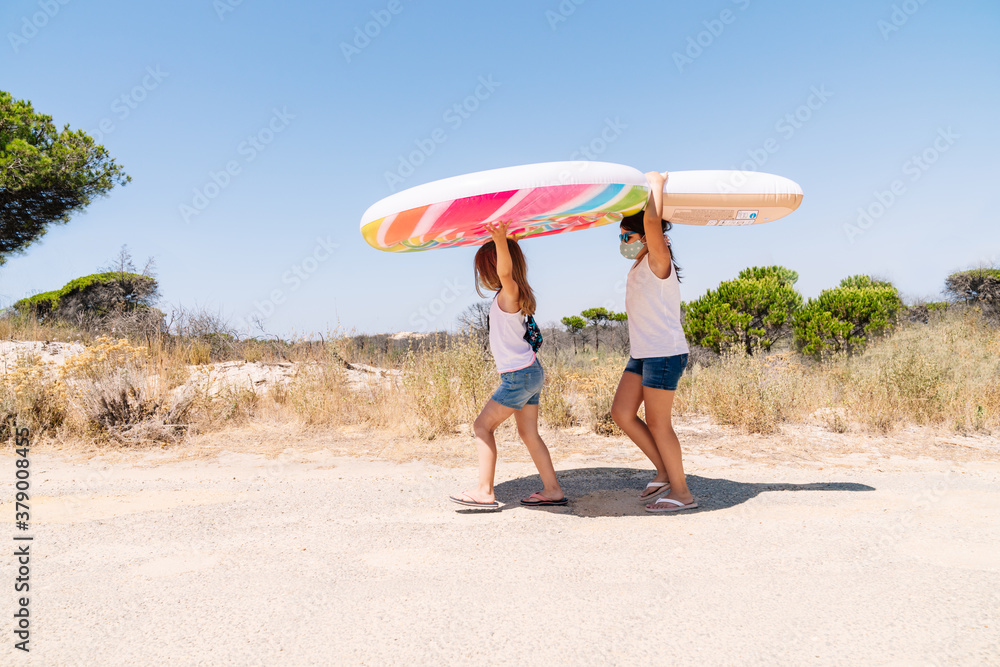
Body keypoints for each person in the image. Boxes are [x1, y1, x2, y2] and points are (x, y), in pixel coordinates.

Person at [448, 220, 566, 510]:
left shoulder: (509, 293)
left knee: (481, 427)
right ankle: (552, 490)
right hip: (529, 373)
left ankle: (484, 491)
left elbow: (505, 272)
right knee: (528, 433)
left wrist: (500, 239)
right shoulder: (509, 297)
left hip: (519, 376)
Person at [610, 171, 698, 513]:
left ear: (649, 236)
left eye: (628, 235)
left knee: (660, 423)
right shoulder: (639, 264)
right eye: (621, 236)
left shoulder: (658, 260)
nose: (624, 241)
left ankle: (682, 492)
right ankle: (662, 471)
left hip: (664, 353)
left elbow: (651, 220)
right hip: (643, 353)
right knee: (621, 412)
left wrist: (655, 186)